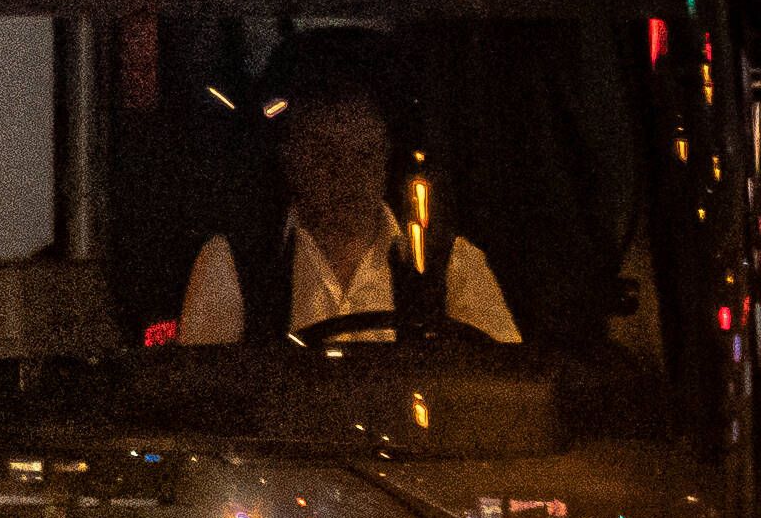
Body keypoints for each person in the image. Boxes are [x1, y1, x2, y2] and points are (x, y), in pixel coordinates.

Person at [176, 43, 514, 348]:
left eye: (364, 154)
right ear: (290, 158)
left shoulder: (454, 265)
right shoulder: (232, 265)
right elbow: (200, 402)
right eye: (326, 155)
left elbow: (506, 395)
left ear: (385, 156)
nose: (348, 174)